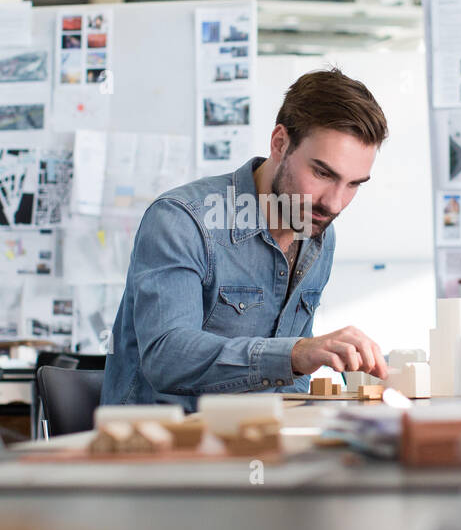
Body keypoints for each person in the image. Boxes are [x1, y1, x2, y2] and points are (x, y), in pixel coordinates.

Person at [101, 67, 390, 407]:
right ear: (280, 143)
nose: (335, 202)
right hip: (163, 446)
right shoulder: (182, 219)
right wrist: (296, 354)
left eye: (354, 183)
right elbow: (167, 356)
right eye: (322, 173)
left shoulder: (317, 233)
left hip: (255, 440)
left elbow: (289, 381)